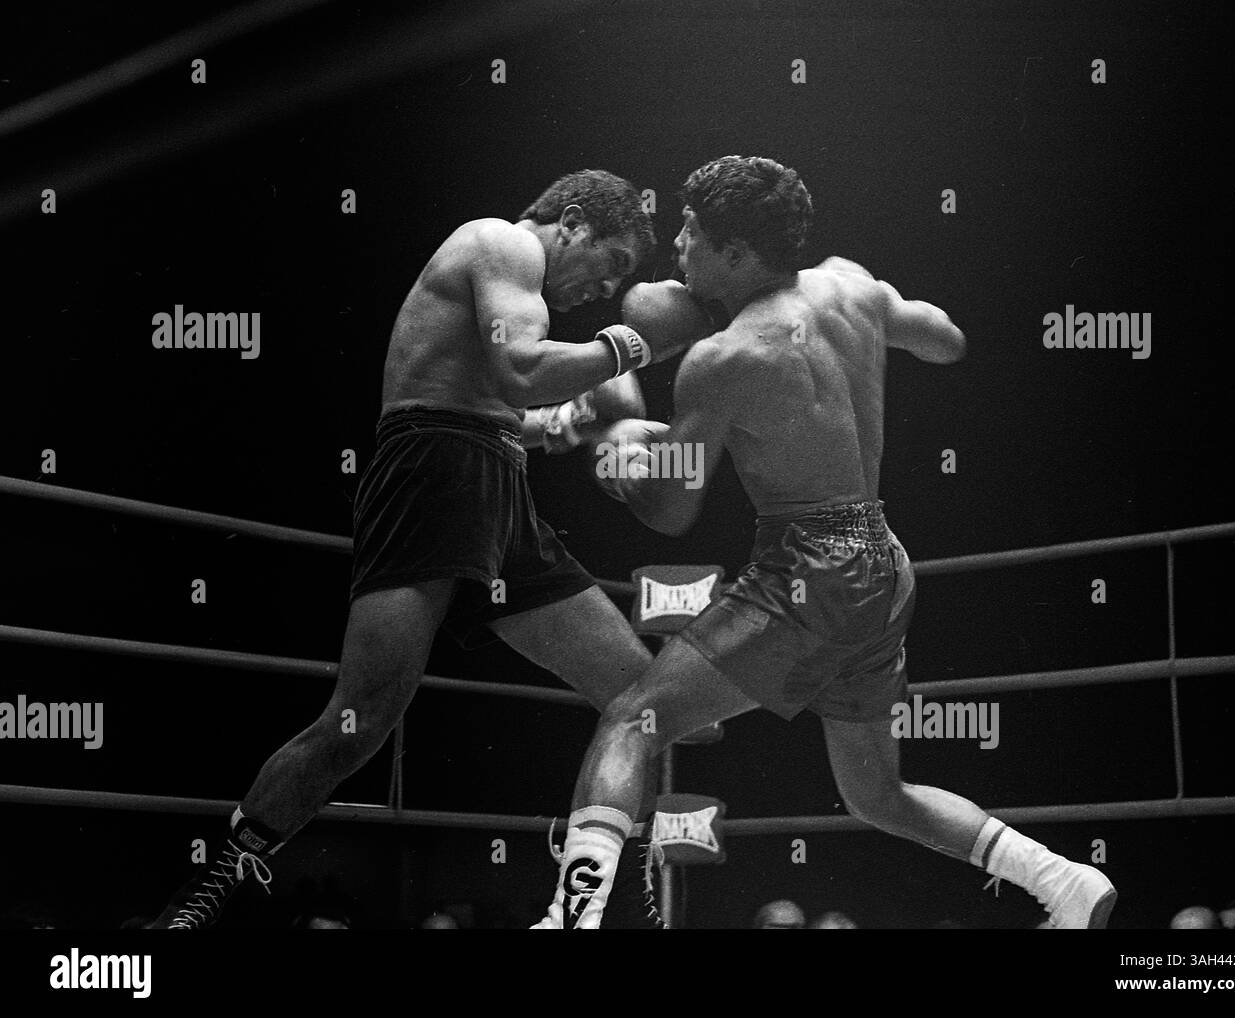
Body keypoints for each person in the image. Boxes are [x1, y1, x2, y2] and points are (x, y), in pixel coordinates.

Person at [535, 155, 1116, 930]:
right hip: (883, 564)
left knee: (632, 718)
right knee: (876, 794)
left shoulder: (723, 361)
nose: (677, 243)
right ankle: (1064, 882)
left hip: (807, 569)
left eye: (692, 231)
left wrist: (620, 460)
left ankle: (571, 918)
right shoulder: (850, 285)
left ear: (735, 251)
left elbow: (671, 511)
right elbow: (944, 339)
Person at [147, 169, 714, 929]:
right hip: (432, 471)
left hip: (496, 483)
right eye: (609, 263)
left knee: (638, 699)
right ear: (574, 221)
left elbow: (495, 403)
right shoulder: (501, 242)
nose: (606, 288)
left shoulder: (521, 291)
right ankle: (207, 894)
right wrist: (636, 344)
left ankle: (583, 904)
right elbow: (520, 370)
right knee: (361, 716)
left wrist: (571, 422)